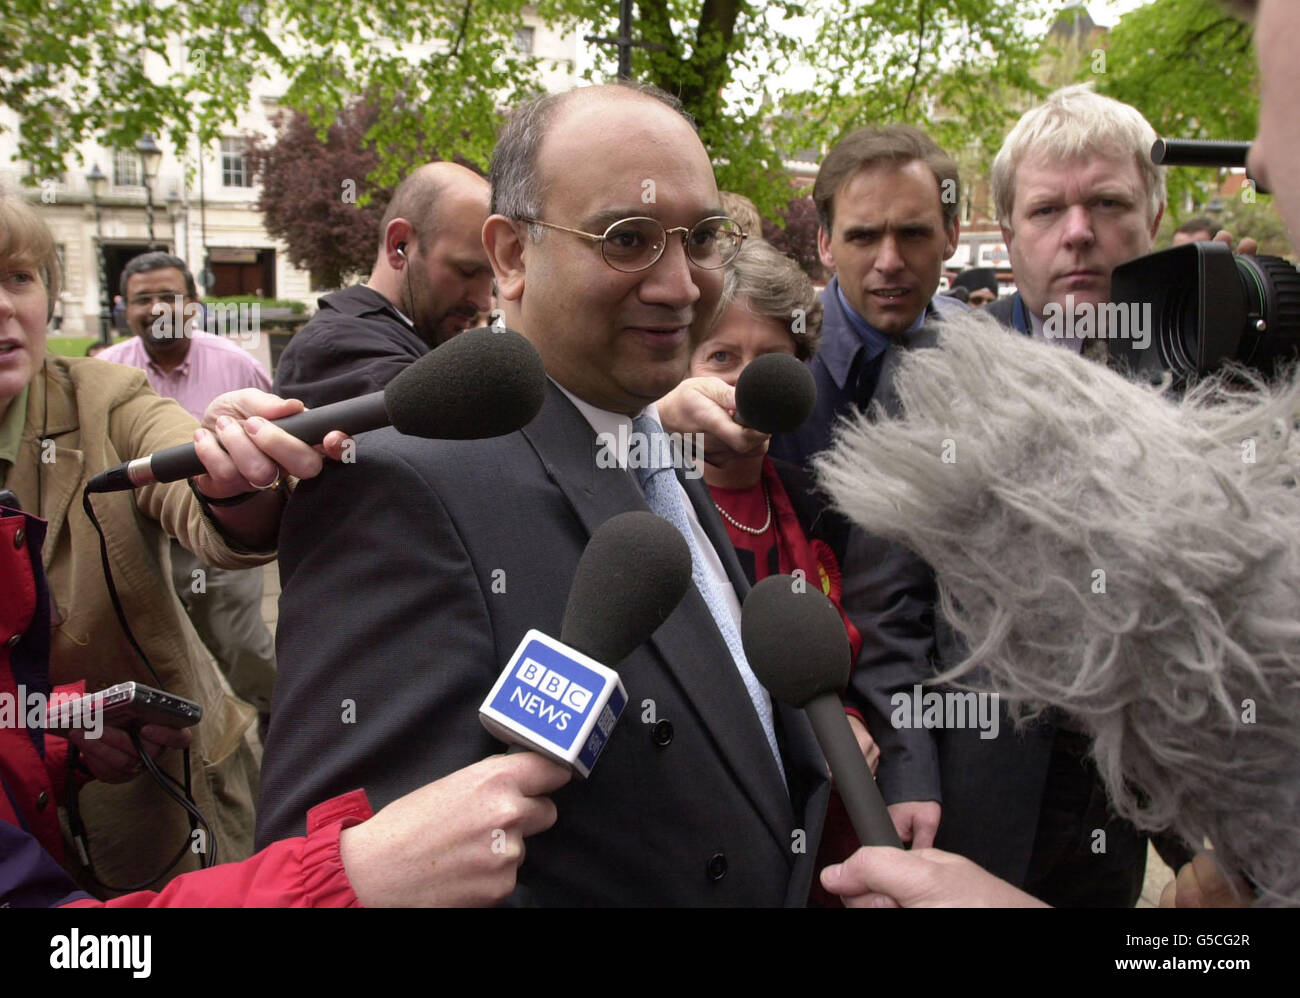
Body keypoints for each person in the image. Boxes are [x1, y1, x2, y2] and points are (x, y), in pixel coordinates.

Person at [257, 83, 831, 906]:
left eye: (702, 238)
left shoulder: (655, 450)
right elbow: (350, 871)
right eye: (627, 239)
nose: (680, 285)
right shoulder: (399, 489)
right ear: (513, 254)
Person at [0, 192, 347, 893]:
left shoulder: (106, 394)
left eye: (19, 278)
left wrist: (231, 479)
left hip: (162, 808)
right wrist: (51, 726)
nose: (5, 306)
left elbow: (181, 467)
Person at [759, 124, 966, 855]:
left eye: (912, 233)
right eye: (862, 235)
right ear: (823, 242)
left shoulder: (994, 375)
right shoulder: (766, 371)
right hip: (795, 752)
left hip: (951, 753)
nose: (888, 262)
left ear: (952, 233)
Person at [98, 252, 278, 729]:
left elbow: (275, 438)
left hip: (225, 529)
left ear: (194, 305)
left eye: (169, 297)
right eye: (143, 299)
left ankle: (275, 715)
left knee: (239, 643)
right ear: (123, 307)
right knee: (160, 651)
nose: (157, 308)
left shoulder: (236, 366)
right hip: (143, 540)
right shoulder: (106, 374)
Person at [273, 161, 493, 408]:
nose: (484, 300)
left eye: (493, 278)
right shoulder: (337, 351)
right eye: (467, 271)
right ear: (399, 244)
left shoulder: (411, 335)